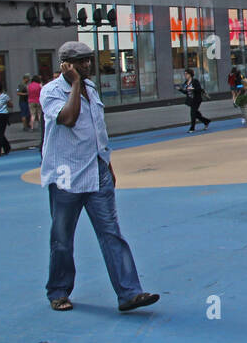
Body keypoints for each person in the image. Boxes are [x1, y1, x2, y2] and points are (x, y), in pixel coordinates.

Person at [39, 41, 159, 313]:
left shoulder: (92, 89)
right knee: (62, 238)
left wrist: (108, 163)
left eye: (89, 60)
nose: (87, 66)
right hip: (66, 177)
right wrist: (74, 85)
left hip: (97, 172)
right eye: (81, 62)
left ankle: (130, 293)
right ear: (66, 65)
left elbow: (97, 132)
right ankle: (58, 291)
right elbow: (68, 119)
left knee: (112, 234)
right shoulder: (51, 92)